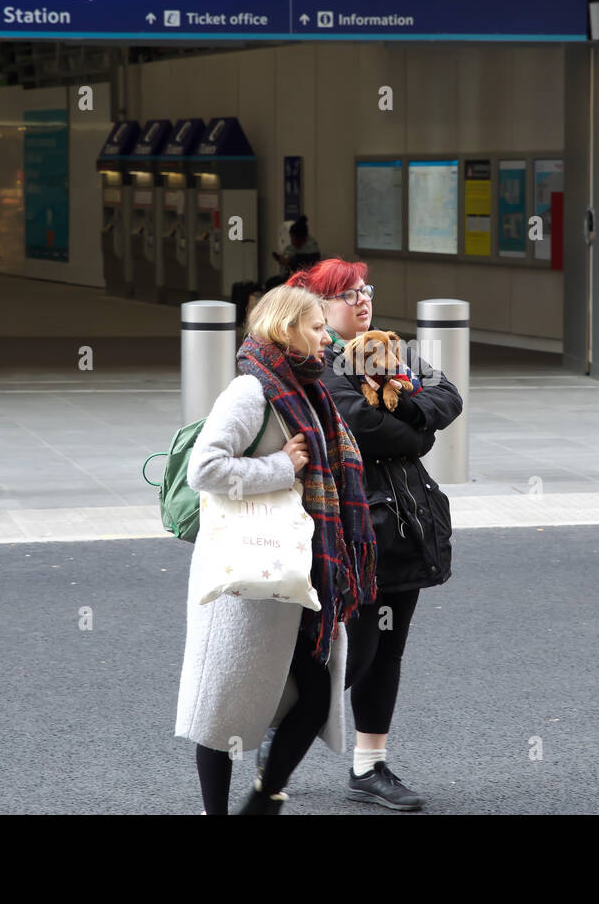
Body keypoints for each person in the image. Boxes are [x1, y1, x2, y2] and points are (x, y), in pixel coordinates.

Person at [175, 285, 378, 815]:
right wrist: (282, 468)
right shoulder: (251, 391)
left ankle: (264, 797)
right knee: (223, 707)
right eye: (315, 327)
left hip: (296, 567)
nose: (326, 336)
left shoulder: (309, 389)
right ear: (287, 329)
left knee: (312, 697)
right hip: (249, 569)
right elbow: (205, 469)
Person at [284, 259, 462, 809]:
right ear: (317, 308)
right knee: (354, 651)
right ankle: (279, 734)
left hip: (405, 523)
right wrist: (416, 433)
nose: (361, 301)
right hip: (350, 528)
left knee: (389, 649)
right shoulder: (317, 363)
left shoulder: (393, 348)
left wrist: (408, 407)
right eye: (346, 295)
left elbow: (449, 397)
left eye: (365, 291)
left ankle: (370, 766)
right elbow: (359, 426)